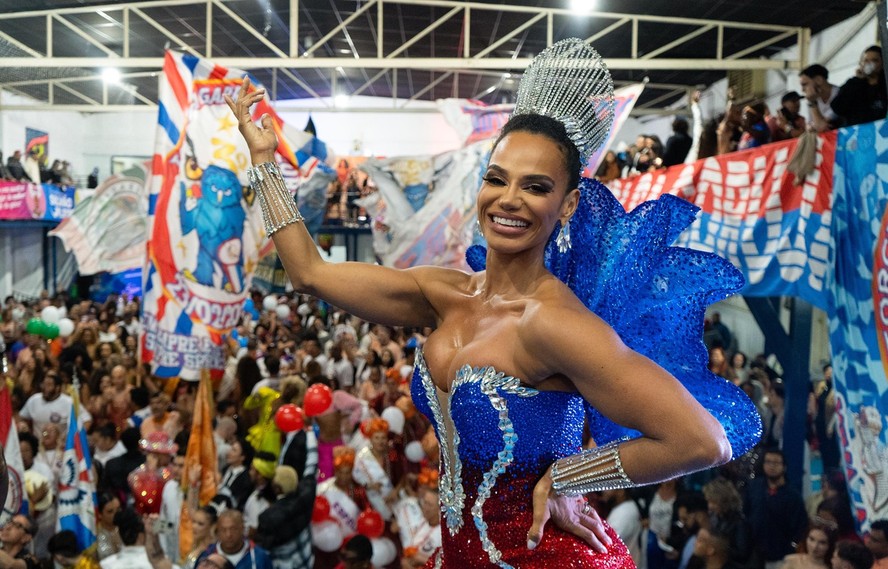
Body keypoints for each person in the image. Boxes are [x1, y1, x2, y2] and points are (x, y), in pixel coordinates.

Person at [226, 38, 758, 567]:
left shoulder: (554, 324)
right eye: (496, 179)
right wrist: (264, 160)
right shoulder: (441, 294)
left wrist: (569, 477)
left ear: (568, 204)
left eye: (535, 187)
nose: (508, 199)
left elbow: (701, 440)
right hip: (458, 553)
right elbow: (310, 274)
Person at [831, 46, 887, 127]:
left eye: (874, 60)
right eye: (866, 60)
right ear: (861, 63)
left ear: (883, 63)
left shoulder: (884, 84)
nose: (869, 63)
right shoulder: (853, 83)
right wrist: (858, 80)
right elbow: (837, 107)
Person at [196, 510, 273, 569]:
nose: (228, 535)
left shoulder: (260, 557)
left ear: (242, 529)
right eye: (223, 530)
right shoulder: (206, 555)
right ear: (217, 531)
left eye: (234, 529)